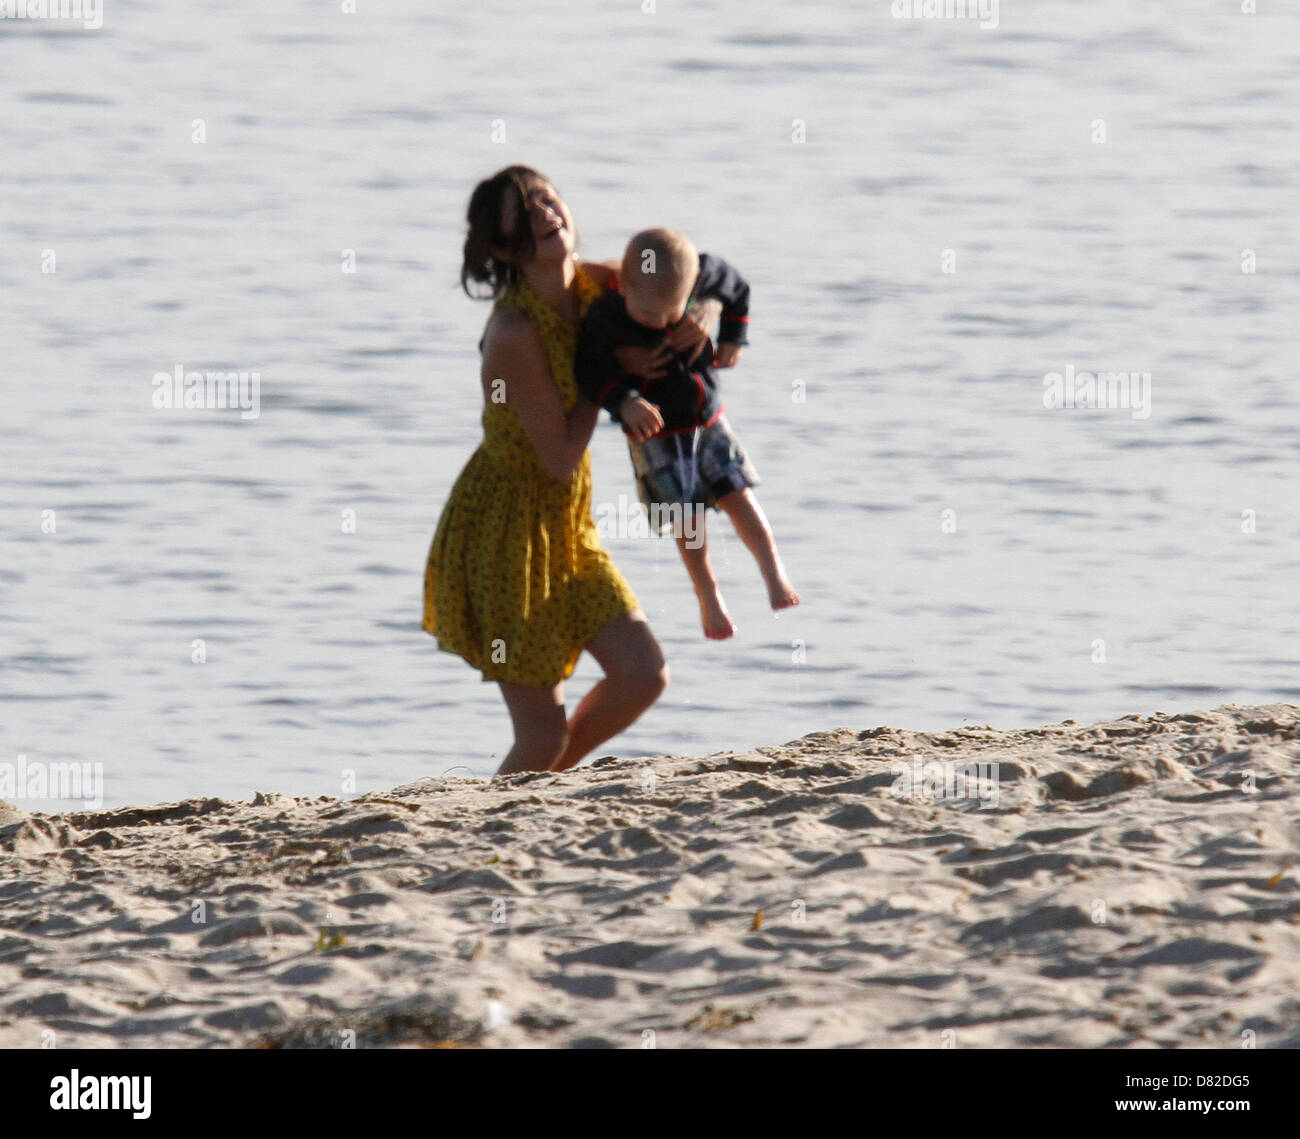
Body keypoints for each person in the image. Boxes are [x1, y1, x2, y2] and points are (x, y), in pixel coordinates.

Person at [422, 168, 712, 775]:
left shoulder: (596, 283)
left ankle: (545, 788)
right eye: (523, 216)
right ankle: (491, 823)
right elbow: (556, 458)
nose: (544, 214)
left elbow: (688, 278)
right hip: (505, 532)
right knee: (540, 733)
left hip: (570, 528)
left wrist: (697, 317)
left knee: (643, 674)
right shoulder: (514, 332)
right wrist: (610, 382)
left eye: (547, 200)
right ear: (502, 249)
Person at [575, 227, 799, 640]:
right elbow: (589, 369)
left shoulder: (699, 276)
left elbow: (736, 287)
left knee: (738, 492)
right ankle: (708, 593)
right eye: (647, 318)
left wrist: (733, 337)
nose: (659, 325)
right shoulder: (606, 316)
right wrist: (624, 400)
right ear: (621, 286)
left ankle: (773, 570)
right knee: (687, 514)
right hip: (656, 431)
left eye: (671, 316)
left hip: (709, 418)